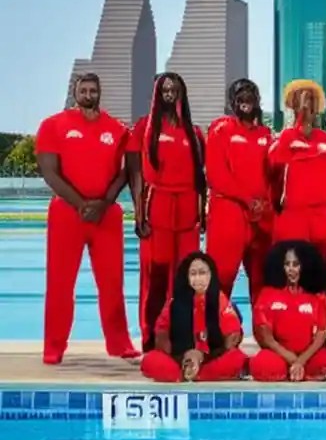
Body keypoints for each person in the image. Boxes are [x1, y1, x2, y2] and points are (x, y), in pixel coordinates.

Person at [35, 73, 139, 364]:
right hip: (67, 213)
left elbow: (124, 171)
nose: (89, 94)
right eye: (84, 90)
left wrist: (105, 202)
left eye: (94, 90)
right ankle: (53, 346)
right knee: (60, 283)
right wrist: (81, 204)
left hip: (106, 215)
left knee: (111, 283)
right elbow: (49, 171)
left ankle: (119, 343)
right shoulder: (53, 125)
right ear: (75, 92)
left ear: (100, 93)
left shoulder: (117, 129)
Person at [127, 72, 206, 350]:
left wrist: (202, 215)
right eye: (165, 90)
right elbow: (135, 174)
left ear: (182, 93)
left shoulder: (194, 133)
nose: (169, 95)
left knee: (186, 275)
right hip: (157, 207)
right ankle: (151, 338)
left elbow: (201, 178)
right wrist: (139, 214)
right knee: (156, 275)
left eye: (174, 90)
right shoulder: (143, 129)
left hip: (187, 211)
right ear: (158, 95)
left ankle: (183, 335)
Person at [205, 78, 273, 303]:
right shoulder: (220, 128)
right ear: (232, 101)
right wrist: (246, 200)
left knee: (262, 279)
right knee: (222, 276)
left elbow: (272, 176)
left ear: (257, 100)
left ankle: (265, 333)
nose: (245, 99)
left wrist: (264, 205)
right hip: (228, 211)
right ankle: (214, 330)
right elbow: (216, 175)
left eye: (250, 94)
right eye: (240, 94)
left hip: (260, 216)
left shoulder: (265, 135)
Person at [139, 252, 246, 382]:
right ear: (187, 277)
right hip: (181, 361)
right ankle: (187, 374)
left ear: (211, 275)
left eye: (203, 273)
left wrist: (202, 356)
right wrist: (185, 357)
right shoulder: (174, 303)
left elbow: (232, 339)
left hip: (210, 360)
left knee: (236, 358)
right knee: (150, 361)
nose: (198, 278)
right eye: (193, 274)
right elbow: (161, 338)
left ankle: (196, 375)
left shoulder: (221, 300)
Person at [270, 80, 326, 282]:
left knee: (324, 271)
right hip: (294, 215)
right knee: (290, 272)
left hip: (322, 215)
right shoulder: (285, 138)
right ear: (292, 104)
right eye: (300, 100)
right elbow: (274, 171)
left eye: (309, 99)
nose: (305, 106)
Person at [248, 240, 326, 382]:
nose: (291, 269)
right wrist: (293, 360)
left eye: (296, 264)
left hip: (309, 357)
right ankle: (294, 371)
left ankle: (297, 371)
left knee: (325, 361)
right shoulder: (267, 295)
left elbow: (321, 335)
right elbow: (266, 337)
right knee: (262, 363)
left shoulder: (318, 298)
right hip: (279, 356)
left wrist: (301, 360)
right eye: (287, 264)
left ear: (305, 266)